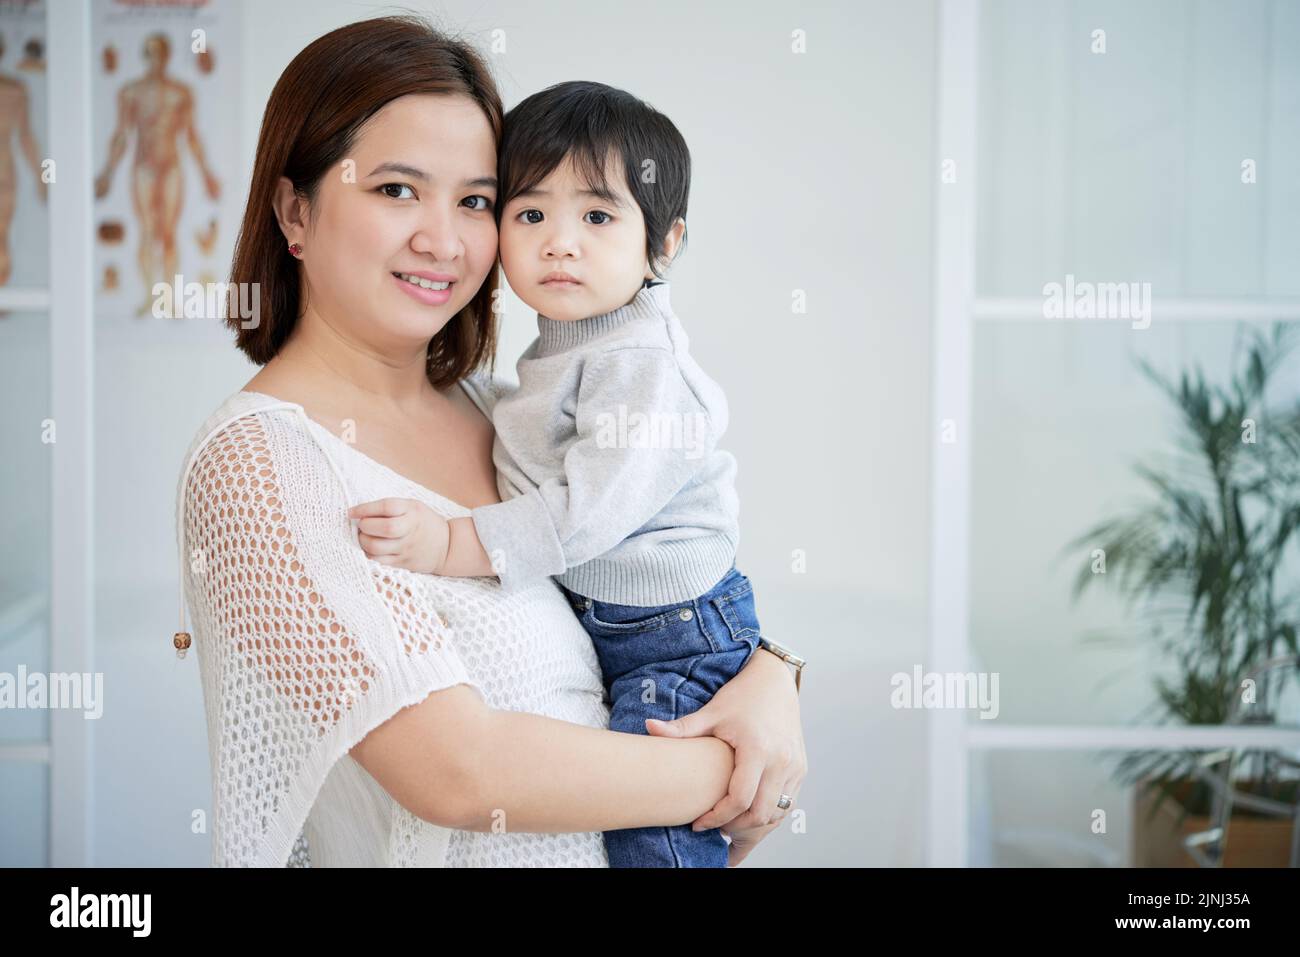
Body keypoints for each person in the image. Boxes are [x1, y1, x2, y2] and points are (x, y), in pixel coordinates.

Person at [174, 15, 806, 868]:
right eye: (396, 190)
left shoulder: (497, 409)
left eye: (474, 199)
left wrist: (772, 673)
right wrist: (733, 770)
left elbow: (647, 566)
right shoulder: (260, 465)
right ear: (296, 209)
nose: (444, 239)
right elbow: (460, 774)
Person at [348, 80, 789, 867]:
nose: (560, 241)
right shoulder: (560, 349)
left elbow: (585, 511)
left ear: (666, 243)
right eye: (530, 214)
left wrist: (451, 541)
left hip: (672, 633)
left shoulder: (639, 361)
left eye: (596, 216)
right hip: (628, 618)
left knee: (653, 833)